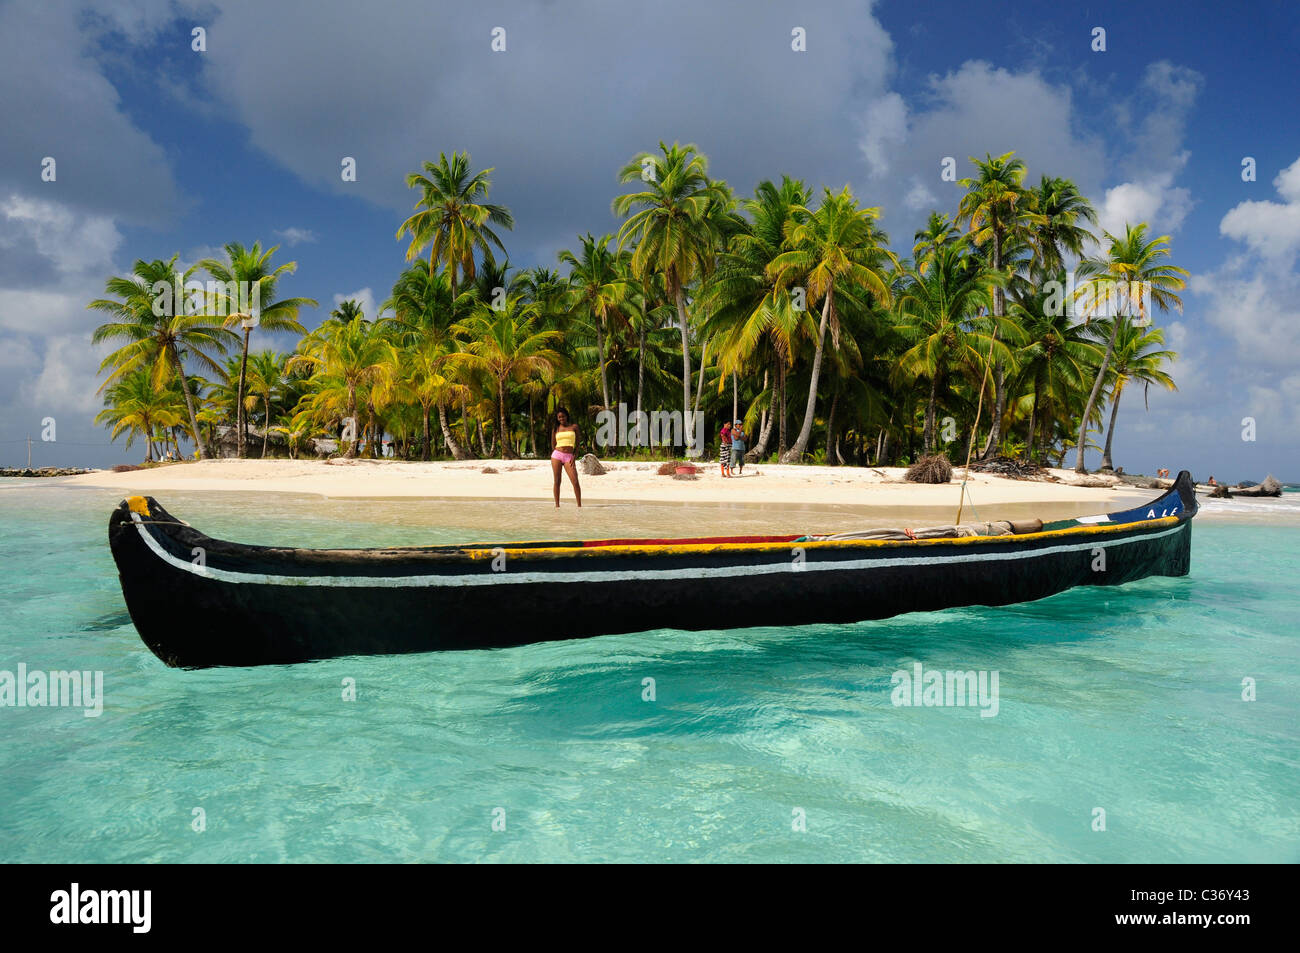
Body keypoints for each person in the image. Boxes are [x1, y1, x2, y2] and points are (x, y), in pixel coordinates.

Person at [550, 407, 582, 507]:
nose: (561, 419)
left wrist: (575, 456)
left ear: (567, 416)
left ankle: (579, 506)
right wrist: (555, 453)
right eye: (559, 417)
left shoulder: (574, 427)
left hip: (569, 456)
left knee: (575, 481)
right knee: (557, 481)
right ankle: (557, 506)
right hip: (557, 456)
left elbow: (578, 444)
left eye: (563, 416)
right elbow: (553, 444)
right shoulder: (556, 429)